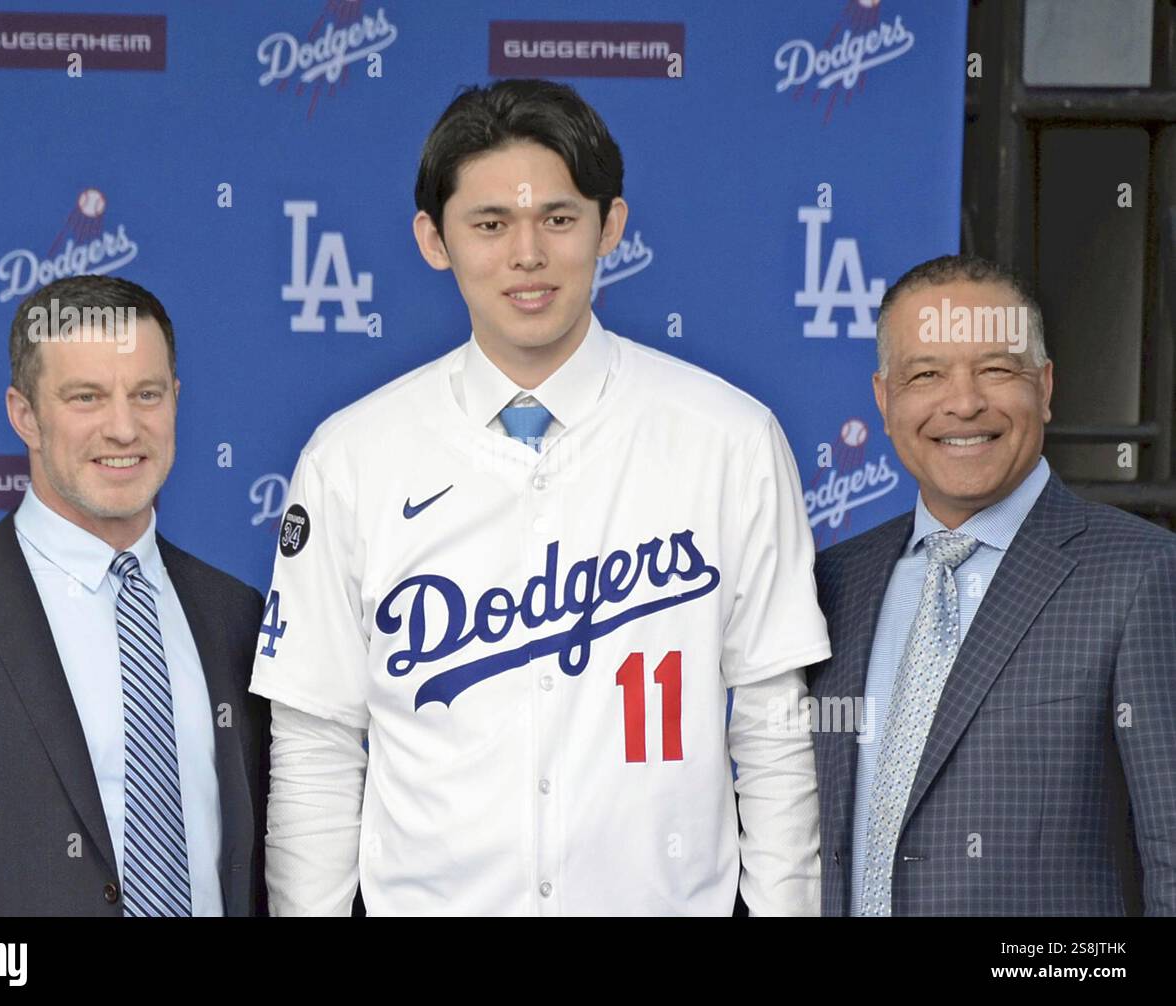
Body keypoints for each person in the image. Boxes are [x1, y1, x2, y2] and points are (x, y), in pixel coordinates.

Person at [250, 79, 830, 916]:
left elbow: (775, 725)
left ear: (612, 227)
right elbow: (317, 740)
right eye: (490, 224)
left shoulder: (729, 437)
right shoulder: (351, 457)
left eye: (558, 219)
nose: (528, 254)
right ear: (433, 239)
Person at [0, 275, 269, 916]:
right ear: (24, 414)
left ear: (176, 399)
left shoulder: (235, 615)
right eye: (86, 397)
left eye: (146, 394)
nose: (123, 428)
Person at [807, 253, 1176, 916]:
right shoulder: (834, 581)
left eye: (997, 369)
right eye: (926, 374)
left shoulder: (1143, 573)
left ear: (1046, 386)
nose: (964, 401)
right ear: (886, 401)